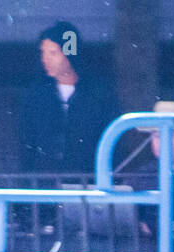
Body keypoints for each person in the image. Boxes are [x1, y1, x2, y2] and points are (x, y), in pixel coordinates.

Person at [18, 21, 120, 174]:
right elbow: (27, 146)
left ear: (70, 53)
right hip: (45, 187)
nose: (45, 59)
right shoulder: (36, 96)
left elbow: (113, 143)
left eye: (53, 53)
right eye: (43, 53)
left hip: (87, 187)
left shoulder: (98, 94)